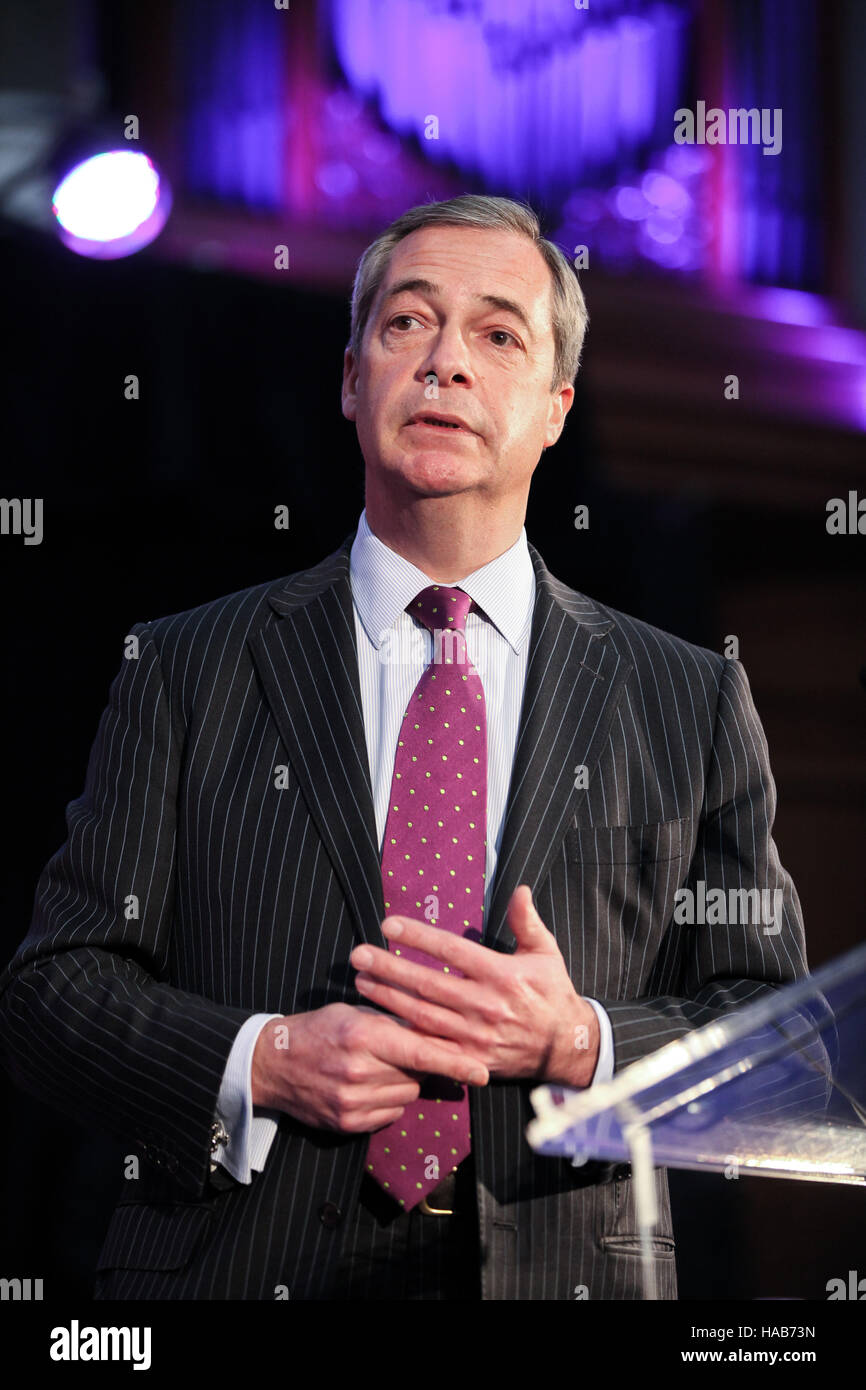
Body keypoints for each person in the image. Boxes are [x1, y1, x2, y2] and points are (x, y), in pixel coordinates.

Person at [0, 195, 808, 1300]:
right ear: (348, 380)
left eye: (496, 334)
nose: (442, 364)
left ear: (554, 407)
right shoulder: (186, 667)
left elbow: (781, 1055)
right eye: (404, 324)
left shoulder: (688, 698)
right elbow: (50, 995)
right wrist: (264, 1059)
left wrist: (575, 1038)